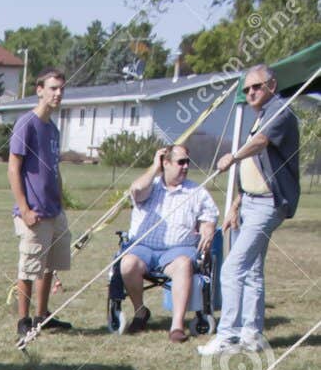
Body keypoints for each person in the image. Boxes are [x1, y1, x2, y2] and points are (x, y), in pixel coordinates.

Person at [199, 63, 300, 355]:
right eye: (246, 89)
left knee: (232, 268)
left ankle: (227, 336)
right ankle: (252, 335)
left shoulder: (280, 110)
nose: (250, 92)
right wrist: (236, 203)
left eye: (256, 86)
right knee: (253, 270)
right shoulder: (261, 115)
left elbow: (260, 143)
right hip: (251, 201)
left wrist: (232, 156)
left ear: (271, 85)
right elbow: (256, 166)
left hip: (269, 204)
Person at [120, 145, 218, 342]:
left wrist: (208, 228)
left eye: (187, 162)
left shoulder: (196, 191)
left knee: (183, 264)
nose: (185, 166)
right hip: (144, 248)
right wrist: (155, 167)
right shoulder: (151, 186)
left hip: (178, 250)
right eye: (180, 162)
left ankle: (177, 326)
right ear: (166, 163)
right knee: (127, 263)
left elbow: (209, 217)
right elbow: (136, 190)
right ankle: (140, 312)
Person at [8, 69, 72, 340]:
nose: (58, 94)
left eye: (61, 89)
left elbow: (55, 170)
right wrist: (24, 209)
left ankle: (43, 315)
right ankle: (24, 320)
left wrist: (61, 202)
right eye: (53, 88)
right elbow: (13, 169)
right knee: (29, 266)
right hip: (33, 211)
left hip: (53, 210)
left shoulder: (53, 129)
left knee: (49, 266)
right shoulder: (27, 124)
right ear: (39, 90)